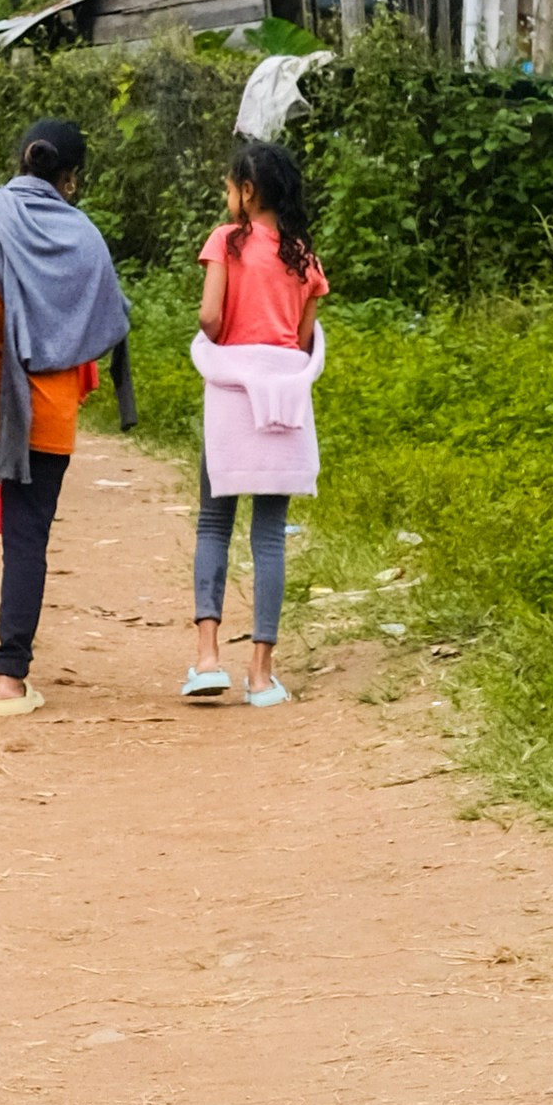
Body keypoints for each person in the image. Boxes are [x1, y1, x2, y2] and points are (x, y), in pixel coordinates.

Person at [0, 119, 134, 722]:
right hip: (48, 413)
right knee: (27, 539)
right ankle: (13, 682)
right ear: (72, 178)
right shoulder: (87, 239)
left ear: (21, 160)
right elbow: (107, 323)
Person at [187, 129, 328, 707]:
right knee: (269, 537)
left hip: (231, 399)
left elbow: (212, 320)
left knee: (213, 525)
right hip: (284, 404)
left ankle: (206, 660)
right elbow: (299, 339)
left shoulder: (227, 241)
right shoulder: (306, 259)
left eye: (229, 187)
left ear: (247, 192)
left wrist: (214, 324)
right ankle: (262, 674)